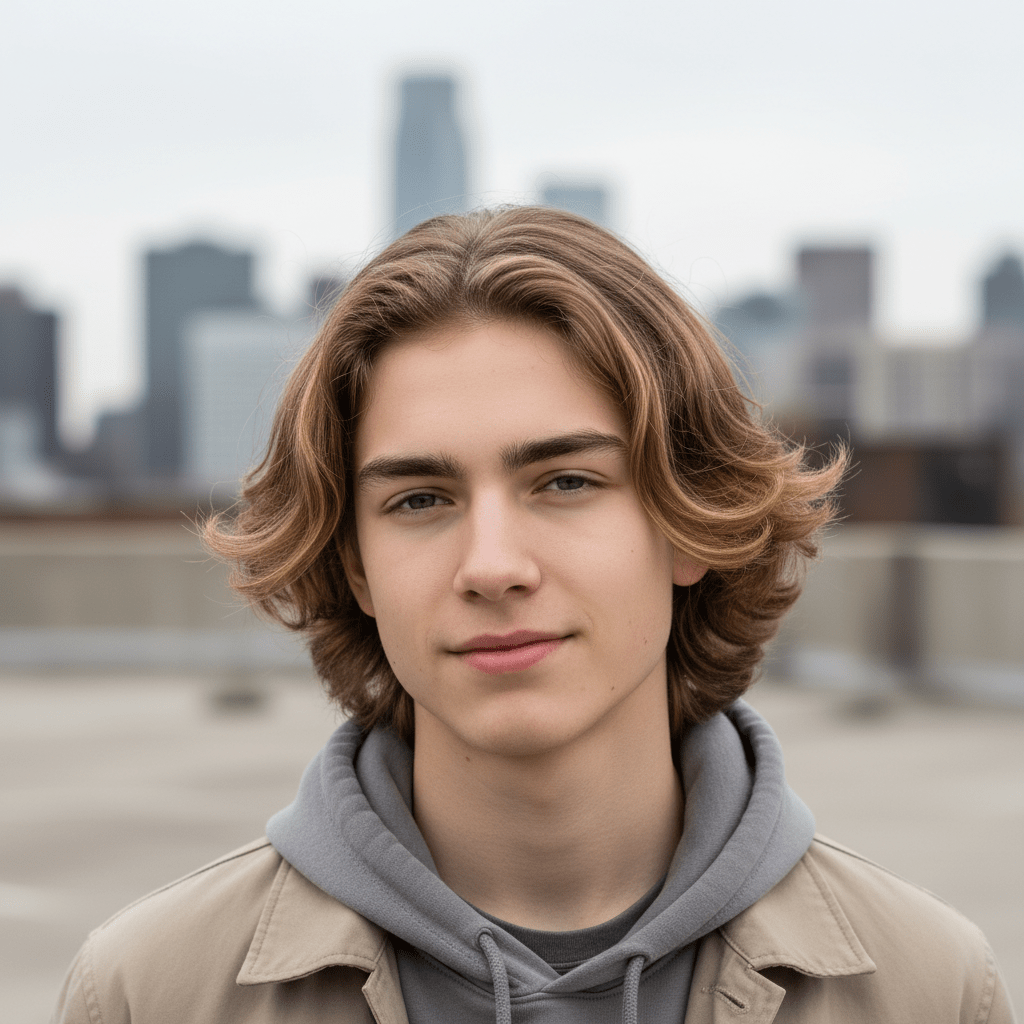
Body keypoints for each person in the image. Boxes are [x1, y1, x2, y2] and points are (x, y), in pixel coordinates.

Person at [53, 207, 1015, 1024]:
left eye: (566, 482)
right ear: (355, 566)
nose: (493, 567)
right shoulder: (150, 992)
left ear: (690, 522)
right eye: (420, 500)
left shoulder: (928, 989)